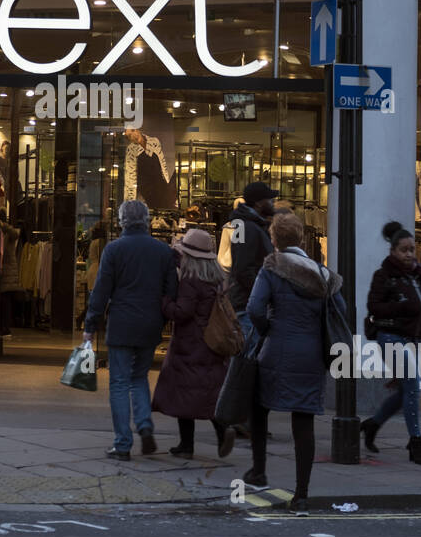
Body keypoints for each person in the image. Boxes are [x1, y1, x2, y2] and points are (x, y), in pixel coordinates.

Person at [245, 212, 338, 515]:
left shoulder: (272, 267)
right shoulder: (321, 273)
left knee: (259, 407)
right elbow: (341, 310)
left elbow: (255, 307)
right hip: (311, 353)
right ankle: (301, 495)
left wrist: (266, 329)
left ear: (274, 239)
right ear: (300, 238)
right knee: (304, 421)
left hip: (276, 349)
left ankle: (259, 470)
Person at [83, 198, 177, 460]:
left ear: (122, 221)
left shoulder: (114, 250)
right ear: (146, 220)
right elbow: (171, 291)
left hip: (122, 323)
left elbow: (101, 291)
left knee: (119, 382)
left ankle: (123, 443)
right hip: (150, 323)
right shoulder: (162, 251)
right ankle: (145, 426)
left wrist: (90, 323)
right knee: (139, 377)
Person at [152, 229, 236, 459]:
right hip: (212, 342)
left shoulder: (191, 280)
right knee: (207, 392)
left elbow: (182, 312)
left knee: (183, 394)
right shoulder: (216, 277)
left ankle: (186, 445)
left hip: (190, 344)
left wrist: (165, 302)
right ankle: (222, 431)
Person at [361, 221, 421, 466]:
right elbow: (374, 307)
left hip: (412, 338)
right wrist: (402, 306)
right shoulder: (384, 275)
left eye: (412, 248)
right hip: (390, 336)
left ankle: (372, 425)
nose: (409, 254)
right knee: (412, 383)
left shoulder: (419, 273)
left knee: (405, 390)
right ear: (393, 251)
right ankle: (416, 442)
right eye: (404, 249)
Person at [225, 182, 277, 354]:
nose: (273, 203)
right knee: (246, 361)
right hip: (246, 305)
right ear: (259, 203)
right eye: (270, 199)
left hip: (245, 303)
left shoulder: (247, 224)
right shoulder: (247, 226)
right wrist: (261, 292)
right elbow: (242, 268)